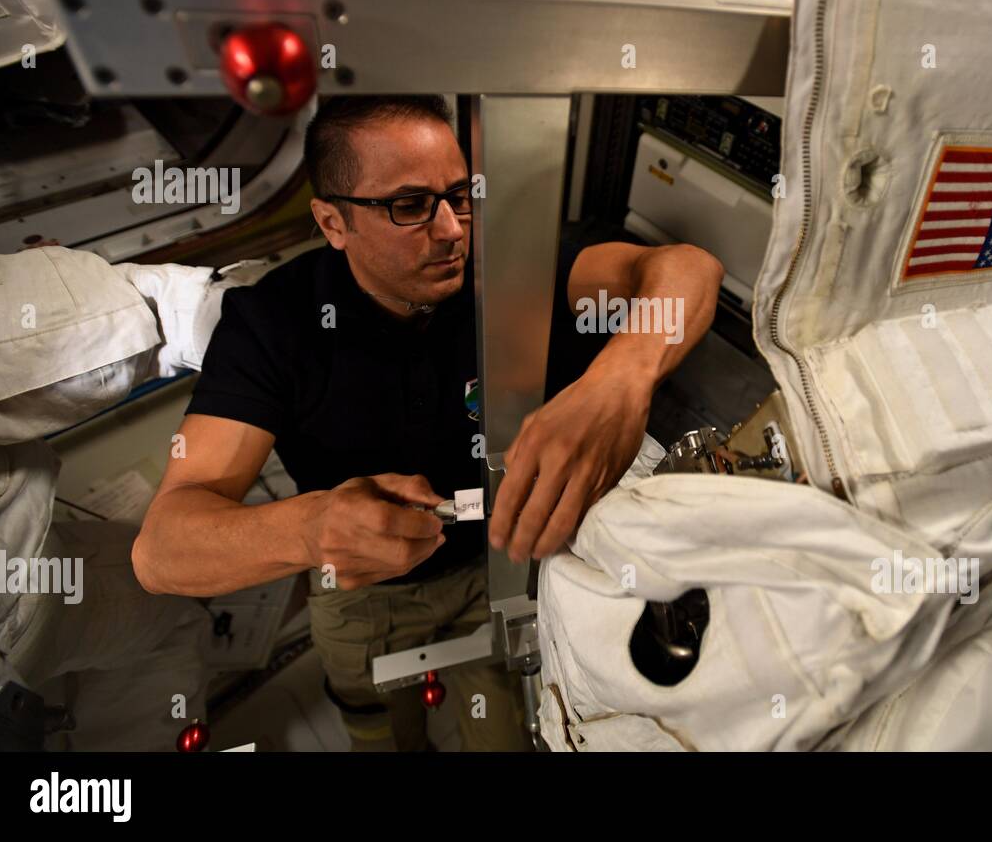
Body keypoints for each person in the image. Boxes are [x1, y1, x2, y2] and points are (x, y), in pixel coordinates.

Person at [133, 95, 724, 751]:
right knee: (380, 733)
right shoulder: (275, 326)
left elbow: (685, 268)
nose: (450, 229)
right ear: (332, 222)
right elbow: (161, 549)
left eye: (460, 195)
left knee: (505, 728)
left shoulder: (509, 263)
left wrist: (623, 377)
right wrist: (313, 527)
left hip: (496, 564)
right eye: (408, 205)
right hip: (364, 595)